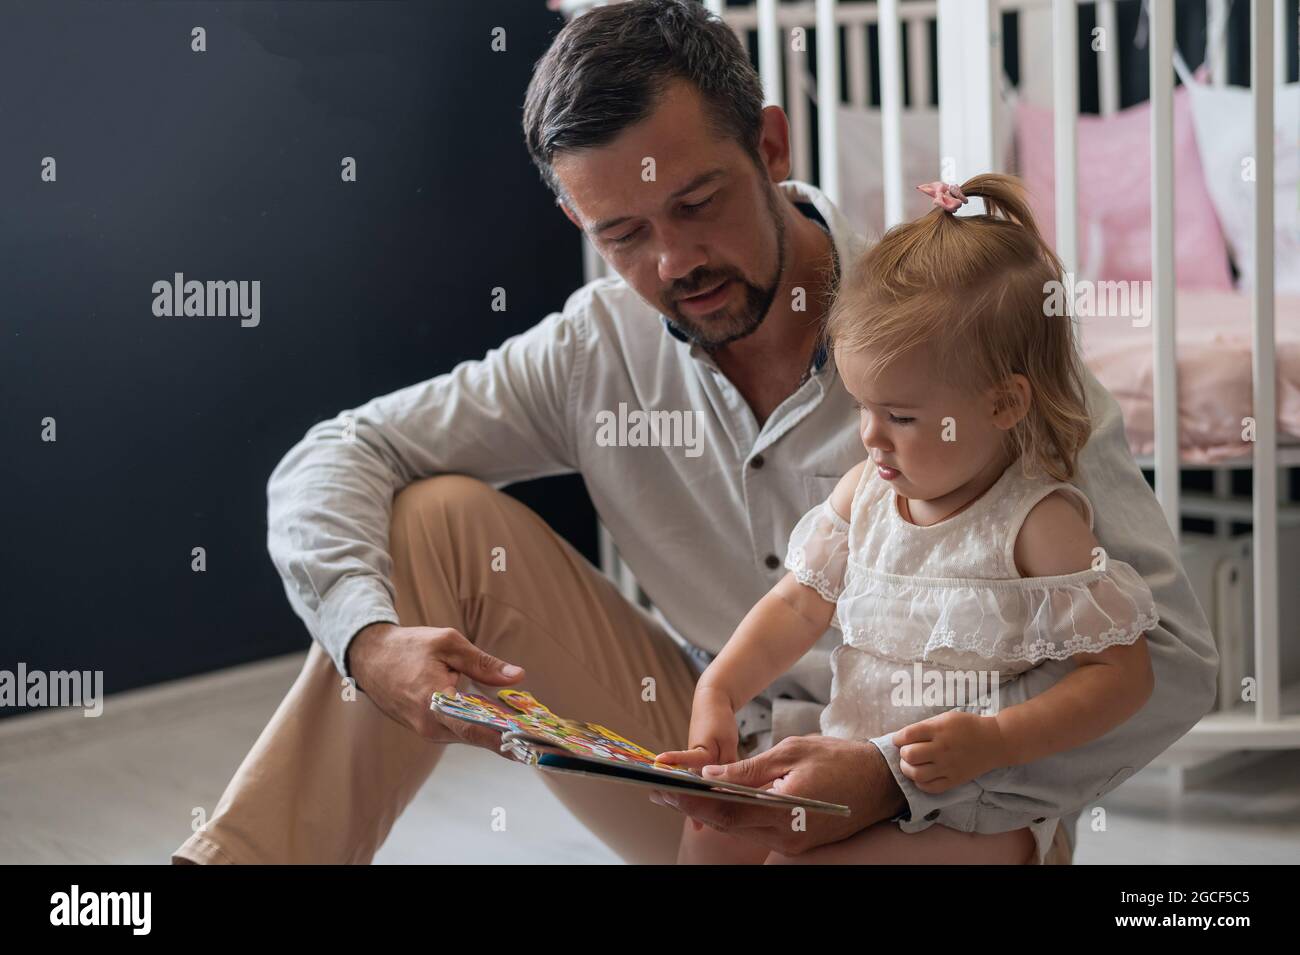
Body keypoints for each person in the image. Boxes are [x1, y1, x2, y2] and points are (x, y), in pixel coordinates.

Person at [172, 0, 1217, 866]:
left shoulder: (969, 351)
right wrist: (368, 641)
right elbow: (336, 452)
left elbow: (1168, 661)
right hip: (714, 764)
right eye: (622, 234)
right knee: (431, 520)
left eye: (696, 202)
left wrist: (895, 775)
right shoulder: (593, 350)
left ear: (769, 143)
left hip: (949, 800)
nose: (673, 263)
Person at [656, 175, 1159, 864]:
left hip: (975, 809)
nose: (870, 435)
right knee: (712, 834)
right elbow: (796, 604)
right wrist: (719, 688)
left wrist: (999, 738)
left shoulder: (1033, 523)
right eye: (862, 406)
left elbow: (1123, 675)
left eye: (900, 416)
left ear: (1004, 403)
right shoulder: (866, 494)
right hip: (853, 770)